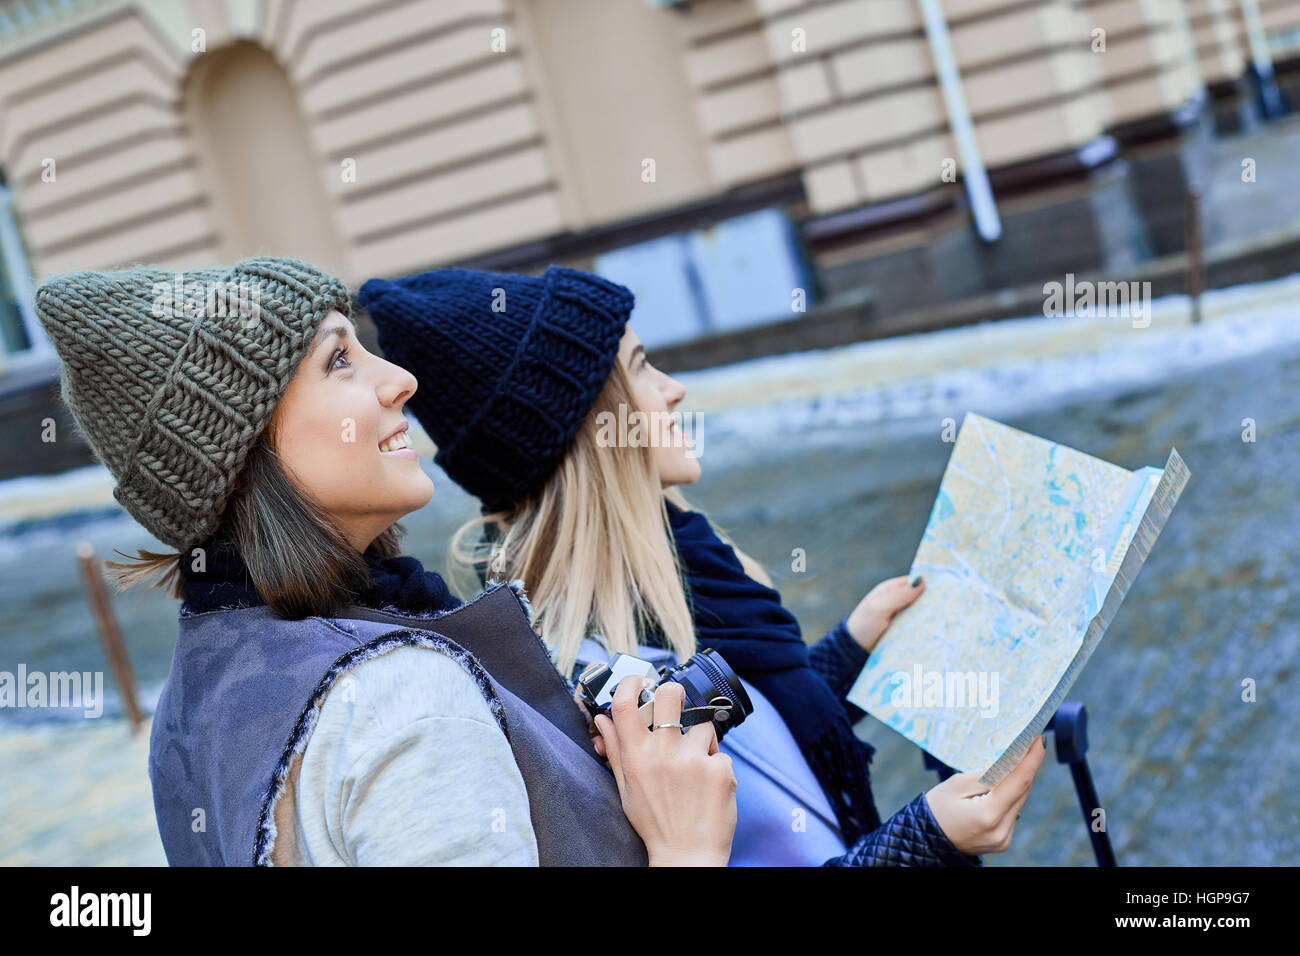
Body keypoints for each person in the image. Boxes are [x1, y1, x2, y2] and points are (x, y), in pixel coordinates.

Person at [34, 257, 736, 867]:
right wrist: (685, 851)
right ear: (242, 451)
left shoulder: (193, 703)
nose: (399, 380)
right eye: (339, 360)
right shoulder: (402, 699)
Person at [356, 265, 1046, 867]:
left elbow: (764, 745)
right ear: (599, 431)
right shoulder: (601, 681)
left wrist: (850, 647)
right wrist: (926, 840)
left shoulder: (684, 576)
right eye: (645, 368)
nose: (675, 389)